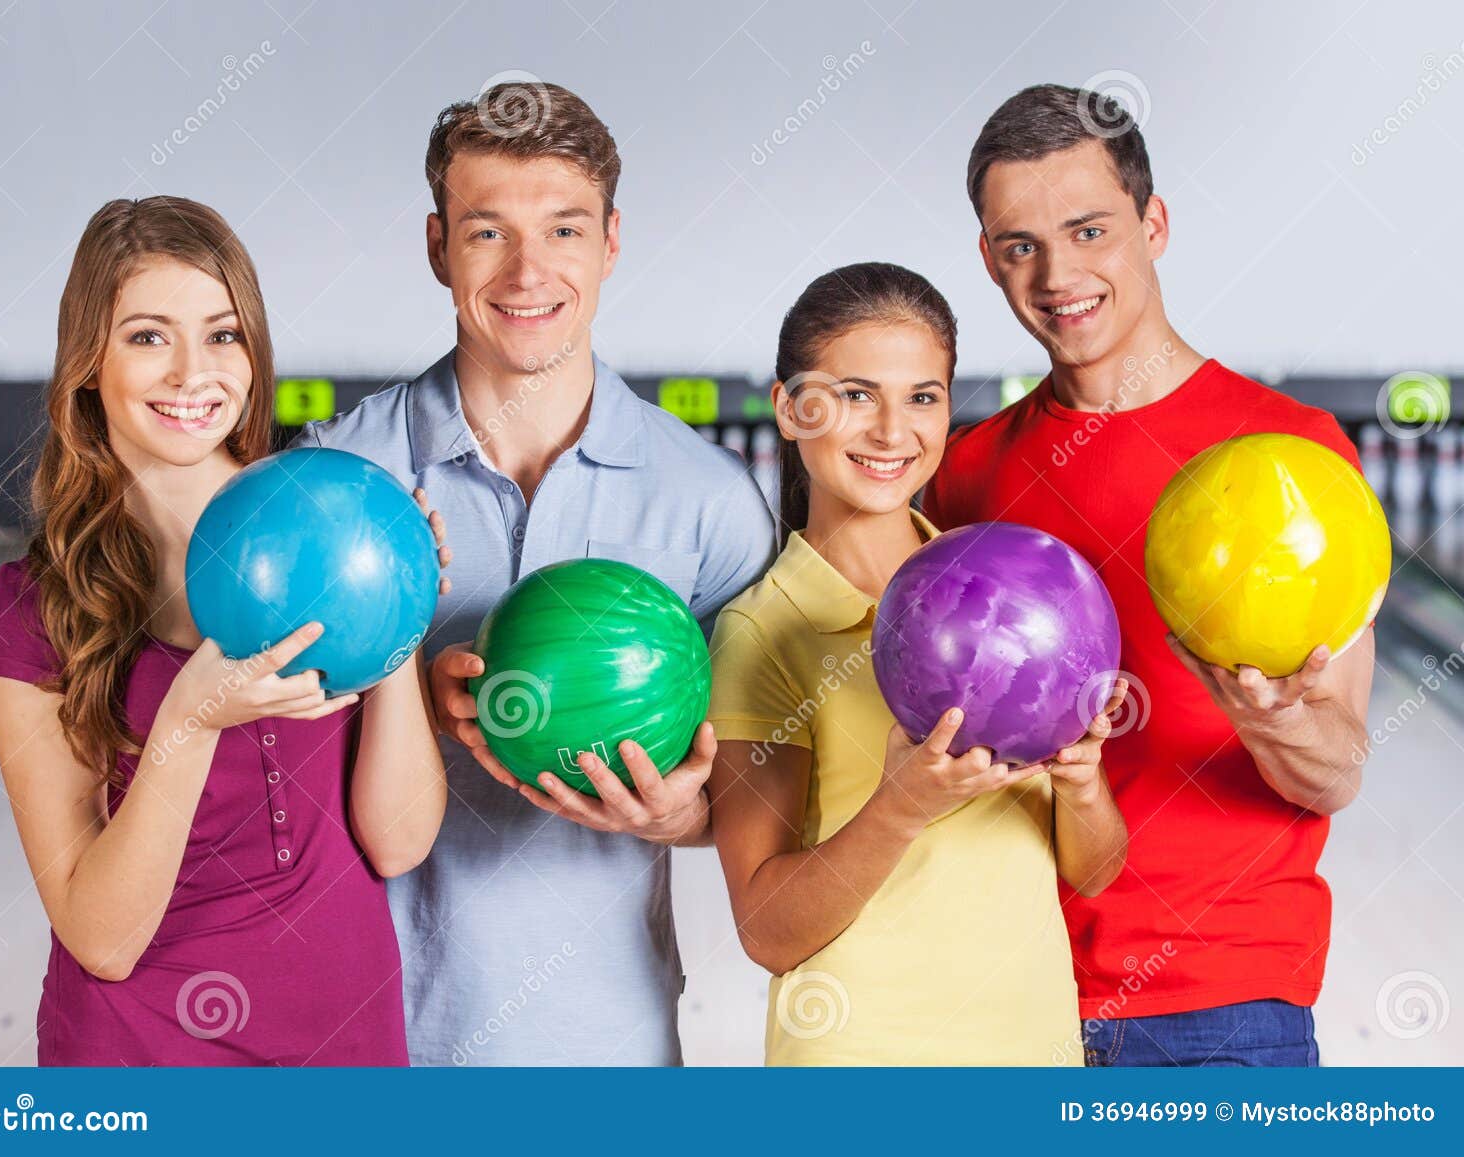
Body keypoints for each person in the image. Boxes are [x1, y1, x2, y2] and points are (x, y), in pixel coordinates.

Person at [295, 83, 776, 1065]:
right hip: (368, 1039)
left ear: (610, 242)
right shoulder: (338, 481)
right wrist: (403, 690)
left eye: (563, 229)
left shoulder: (710, 498)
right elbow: (266, 785)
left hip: (608, 1043)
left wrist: (675, 812)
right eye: (488, 232)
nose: (528, 271)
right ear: (439, 246)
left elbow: (754, 804)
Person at [924, 84, 1376, 1066]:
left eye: (1088, 231)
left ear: (1153, 223)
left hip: (1218, 1007)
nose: (1057, 275)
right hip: (1005, 994)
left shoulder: (1294, 459)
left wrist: (1275, 719)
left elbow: (1337, 767)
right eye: (1021, 246)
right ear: (988, 259)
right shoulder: (966, 474)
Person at [0, 196, 447, 1065]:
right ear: (88, 362)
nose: (192, 373)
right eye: (148, 336)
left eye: (223, 334)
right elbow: (101, 939)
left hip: (346, 1035)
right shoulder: (35, 607)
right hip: (141, 1054)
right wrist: (188, 725)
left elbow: (398, 840)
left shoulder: (328, 521)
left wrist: (392, 601)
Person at [706, 262, 1129, 1065]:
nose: (891, 431)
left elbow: (1096, 871)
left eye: (922, 397)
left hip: (1031, 1051)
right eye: (856, 395)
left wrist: (1082, 782)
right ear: (789, 409)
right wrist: (899, 807)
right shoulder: (764, 629)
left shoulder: (1007, 602)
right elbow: (766, 930)